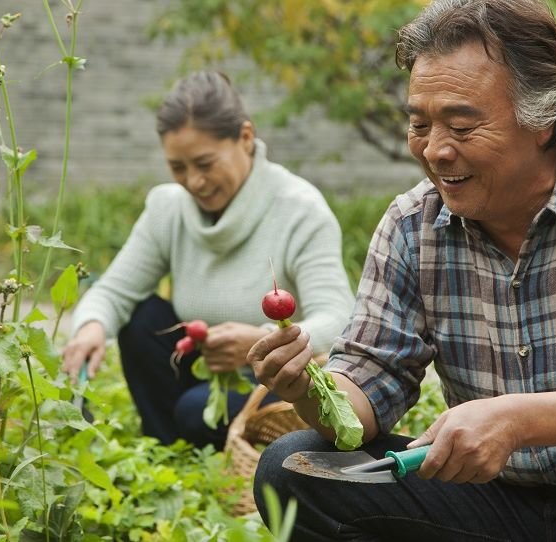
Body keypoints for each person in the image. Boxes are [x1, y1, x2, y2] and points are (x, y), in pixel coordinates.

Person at [246, 1, 556, 540]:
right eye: (419, 124)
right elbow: (369, 383)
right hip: (500, 502)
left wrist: (513, 419)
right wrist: (307, 387)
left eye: (460, 124)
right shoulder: (413, 225)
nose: (435, 150)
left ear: (543, 121)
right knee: (290, 467)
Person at [60, 71, 355, 450]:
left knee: (196, 409)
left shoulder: (300, 210)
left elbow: (337, 318)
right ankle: (171, 455)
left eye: (205, 163)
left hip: (273, 381)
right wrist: (91, 328)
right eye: (178, 167)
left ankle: (199, 447)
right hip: (202, 373)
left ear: (245, 138)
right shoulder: (168, 207)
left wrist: (264, 341)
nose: (194, 182)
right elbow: (113, 291)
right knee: (141, 317)